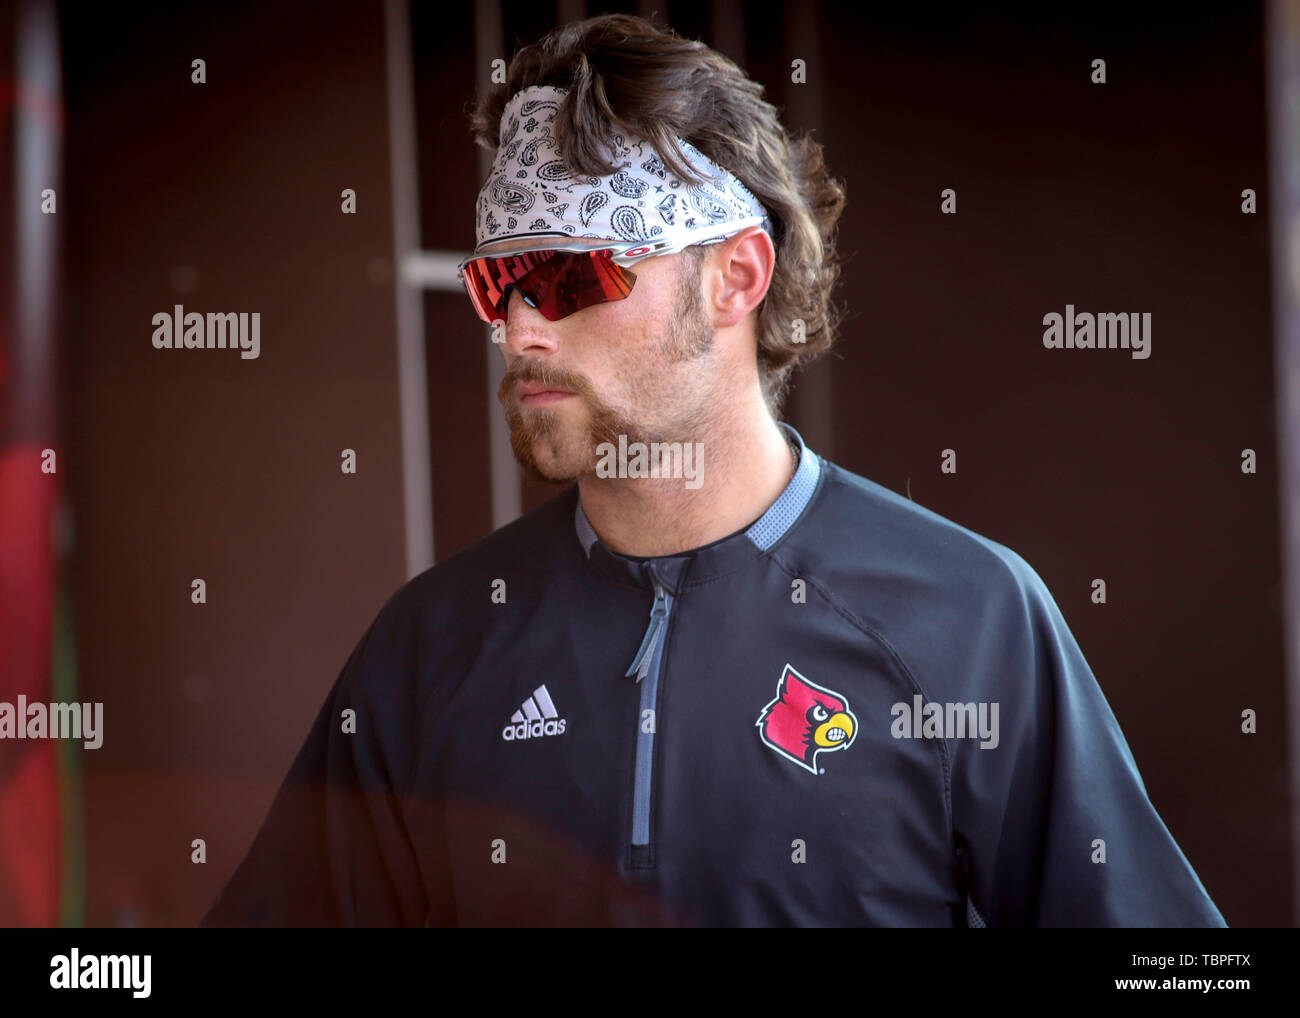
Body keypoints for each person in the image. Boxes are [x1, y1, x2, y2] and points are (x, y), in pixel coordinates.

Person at [201, 13, 1225, 927]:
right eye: (498, 281)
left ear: (735, 275)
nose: (520, 328)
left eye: (569, 274)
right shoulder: (431, 650)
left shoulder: (966, 620)